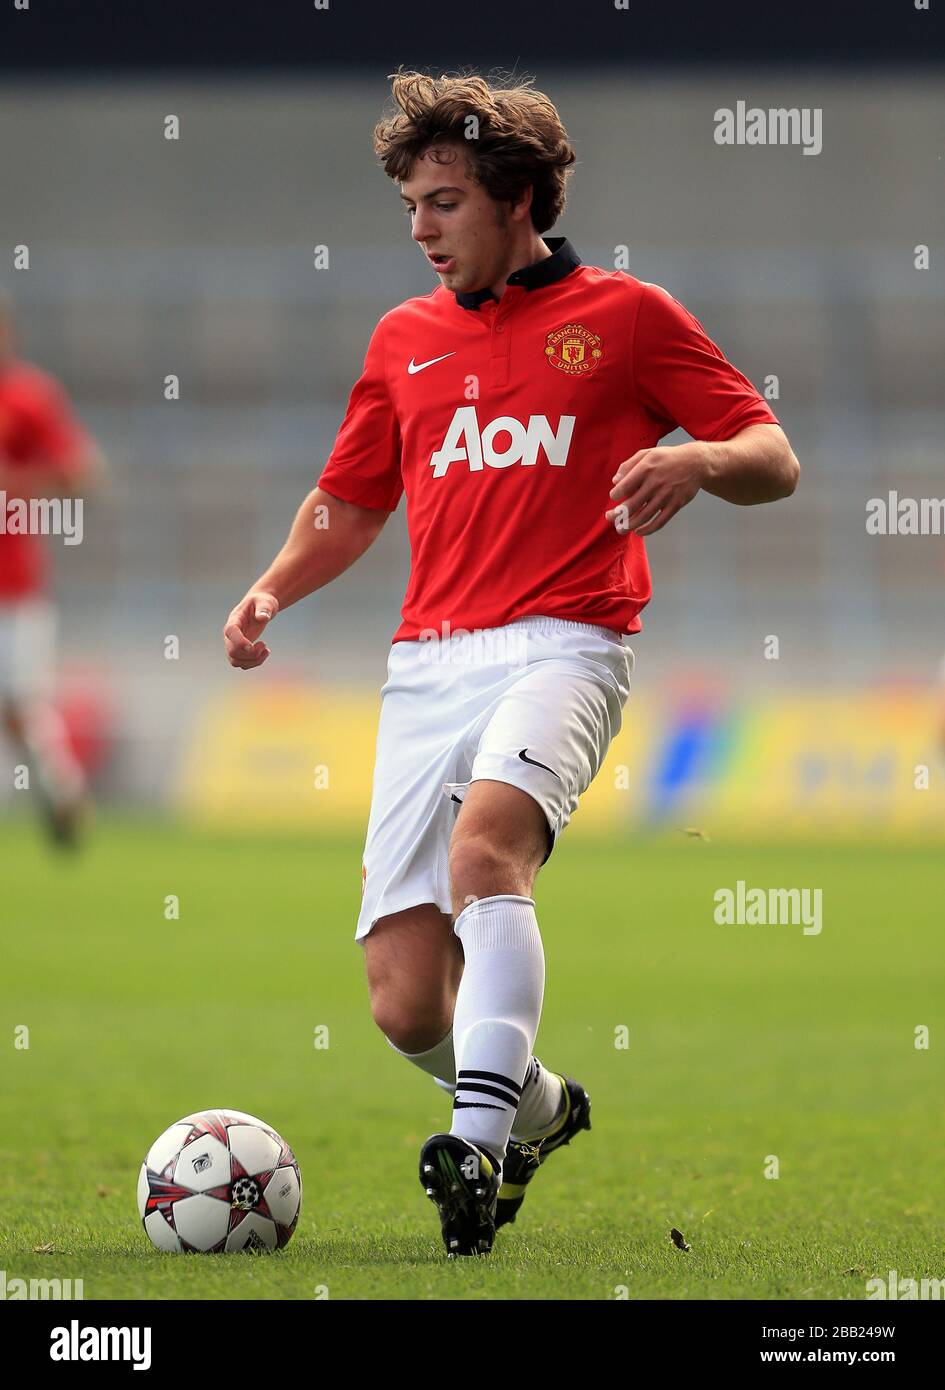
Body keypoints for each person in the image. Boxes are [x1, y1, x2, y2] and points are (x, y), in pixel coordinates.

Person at [223, 70, 800, 1258]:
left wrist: (694, 462)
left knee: (489, 850)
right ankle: (538, 1109)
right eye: (412, 208)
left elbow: (772, 454)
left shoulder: (629, 316)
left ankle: (475, 1150)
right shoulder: (403, 339)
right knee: (402, 1001)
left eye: (443, 203)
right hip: (429, 664)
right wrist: (274, 585)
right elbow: (350, 500)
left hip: (570, 641)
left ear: (518, 197)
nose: (421, 229)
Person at [0, 292, 104, 846]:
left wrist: (16, 483)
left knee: (19, 705)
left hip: (14, 587)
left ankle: (63, 797)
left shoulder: (28, 398)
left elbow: (82, 473)